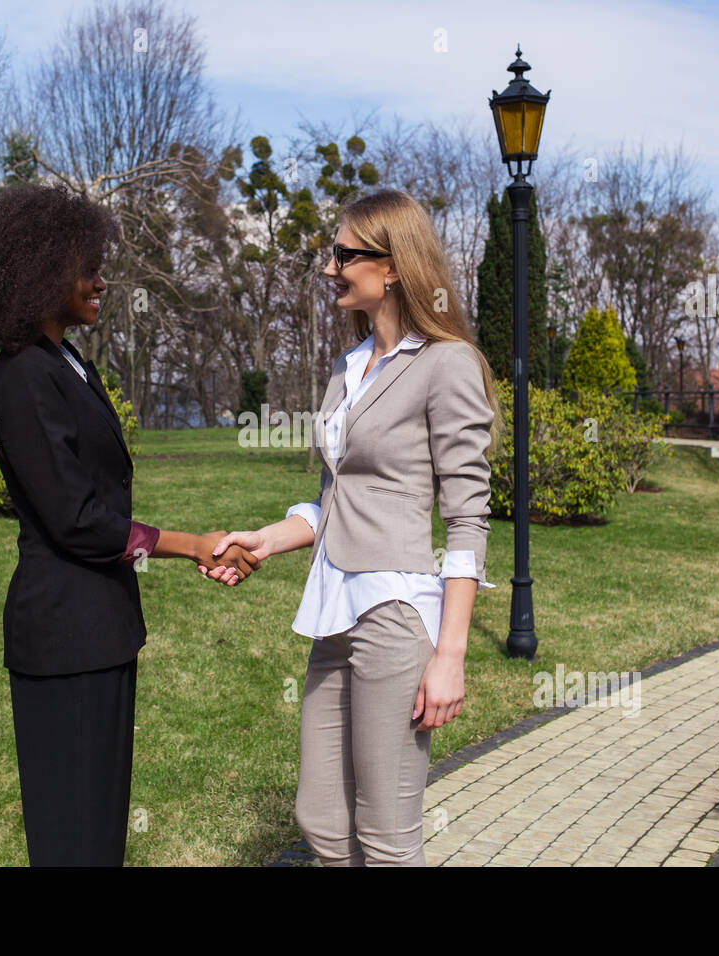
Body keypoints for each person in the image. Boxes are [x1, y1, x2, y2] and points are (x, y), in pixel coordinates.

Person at [0, 181, 260, 866]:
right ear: (37, 272)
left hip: (100, 630)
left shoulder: (65, 362)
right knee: (74, 841)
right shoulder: (23, 376)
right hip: (64, 636)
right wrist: (190, 545)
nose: (101, 280)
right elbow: (78, 520)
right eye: (85, 267)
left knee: (97, 835)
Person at [202, 188, 505, 866]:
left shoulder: (445, 364)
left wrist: (449, 655)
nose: (331, 267)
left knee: (387, 834)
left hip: (395, 615)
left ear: (392, 265)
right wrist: (268, 537)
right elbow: (332, 498)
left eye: (344, 254)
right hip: (335, 612)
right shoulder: (350, 366)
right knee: (322, 820)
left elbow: (466, 518)